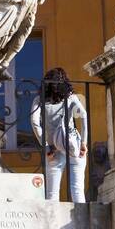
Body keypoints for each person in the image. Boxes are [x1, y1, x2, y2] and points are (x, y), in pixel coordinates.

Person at [30, 67, 88, 203]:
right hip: (74, 145)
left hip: (53, 149)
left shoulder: (39, 100)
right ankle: (80, 223)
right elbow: (84, 115)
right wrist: (84, 143)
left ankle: (52, 223)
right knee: (77, 189)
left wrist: (45, 146)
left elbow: (34, 122)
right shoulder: (71, 98)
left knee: (52, 194)